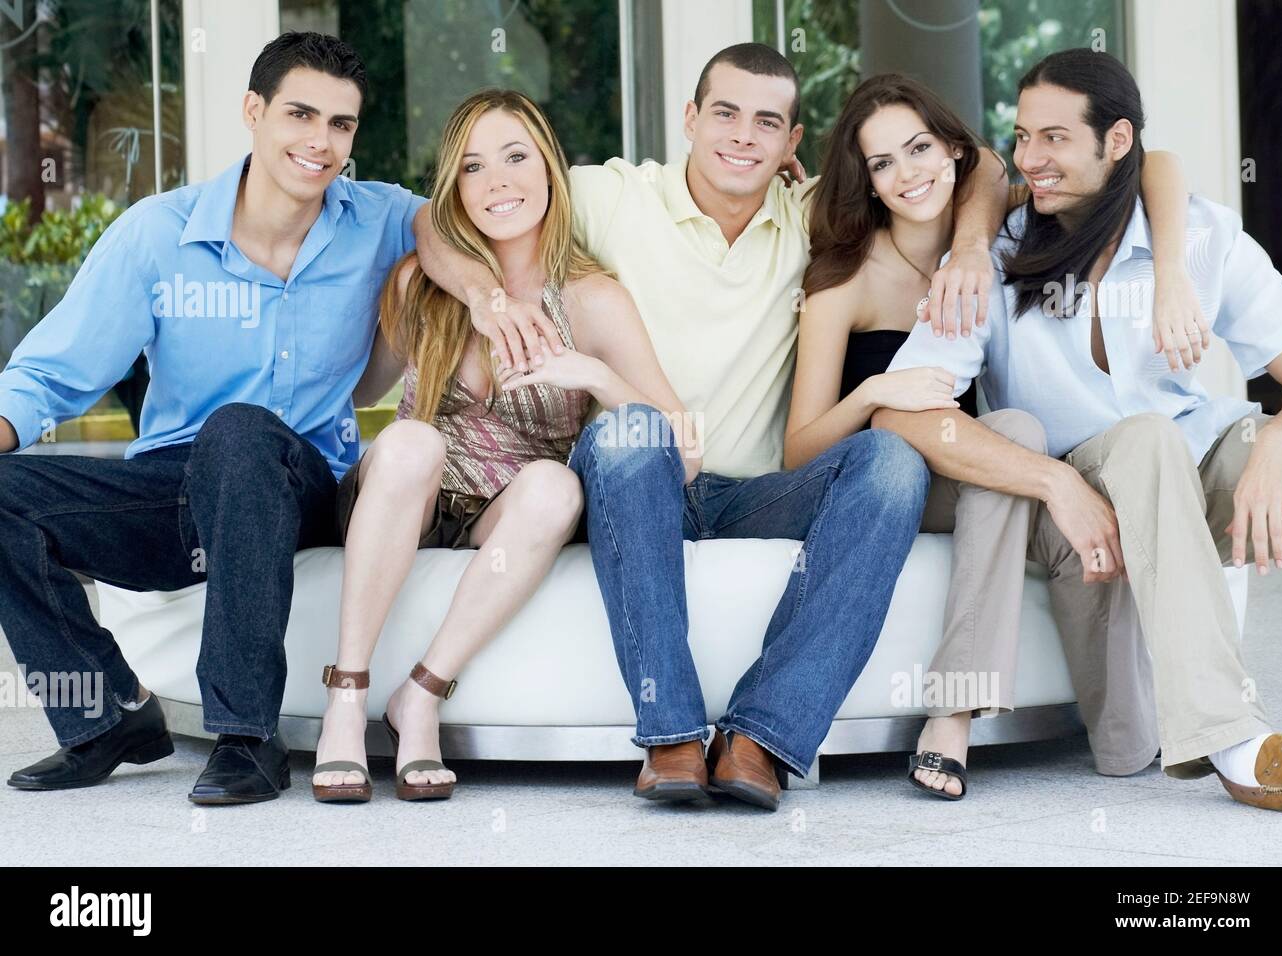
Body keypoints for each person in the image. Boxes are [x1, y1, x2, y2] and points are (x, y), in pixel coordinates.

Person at [407, 43, 1024, 811]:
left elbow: (988, 167)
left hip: (756, 489)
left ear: (792, 144)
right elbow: (438, 214)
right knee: (636, 435)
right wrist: (485, 297)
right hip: (632, 478)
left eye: (768, 122)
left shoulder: (809, 217)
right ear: (691, 119)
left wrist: (970, 248)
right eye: (725, 113)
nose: (743, 136)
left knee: (894, 463)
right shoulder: (612, 196)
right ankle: (669, 736)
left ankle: (761, 736)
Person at [0, 32, 443, 803]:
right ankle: (108, 716)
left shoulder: (378, 220)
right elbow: (49, 374)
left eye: (341, 125)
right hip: (177, 490)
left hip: (305, 485)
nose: (321, 142)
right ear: (253, 110)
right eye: (301, 114)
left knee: (240, 432)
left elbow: (462, 229)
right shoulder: (158, 234)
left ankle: (247, 735)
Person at [878, 49, 1282, 813]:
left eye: (1054, 139)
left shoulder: (1199, 237)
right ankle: (1231, 736)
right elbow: (905, 408)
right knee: (1143, 440)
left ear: (1117, 142)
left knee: (1211, 443)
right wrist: (1052, 478)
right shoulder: (997, 256)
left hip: (1189, 466)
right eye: (1022, 136)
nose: (1030, 160)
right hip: (1076, 489)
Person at [786, 72, 1199, 799]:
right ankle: (953, 713)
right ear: (868, 182)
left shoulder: (1008, 222)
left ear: (954, 151)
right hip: (893, 482)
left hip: (987, 469)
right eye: (882, 164)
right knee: (1011, 431)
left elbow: (1155, 165)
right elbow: (798, 454)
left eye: (919, 149)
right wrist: (875, 392)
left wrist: (1170, 275)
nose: (907, 174)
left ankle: (1125, 733)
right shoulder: (843, 281)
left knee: (1020, 447)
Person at [310, 89, 694, 802]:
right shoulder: (421, 285)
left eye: (517, 157)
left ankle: (420, 696)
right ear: (454, 188)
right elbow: (357, 392)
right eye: (474, 167)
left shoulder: (592, 299)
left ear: (550, 167)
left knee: (558, 486)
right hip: (410, 495)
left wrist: (599, 377)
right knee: (410, 444)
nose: (498, 183)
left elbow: (686, 449)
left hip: (507, 513)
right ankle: (347, 696)